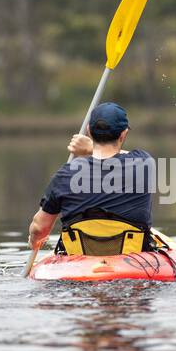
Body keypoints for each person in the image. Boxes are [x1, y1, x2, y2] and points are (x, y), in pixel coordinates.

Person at [28, 102, 161, 256]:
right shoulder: (144, 164)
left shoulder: (65, 175)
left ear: (89, 131)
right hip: (132, 262)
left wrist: (34, 241)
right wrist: (91, 147)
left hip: (79, 267)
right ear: (123, 134)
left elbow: (39, 228)